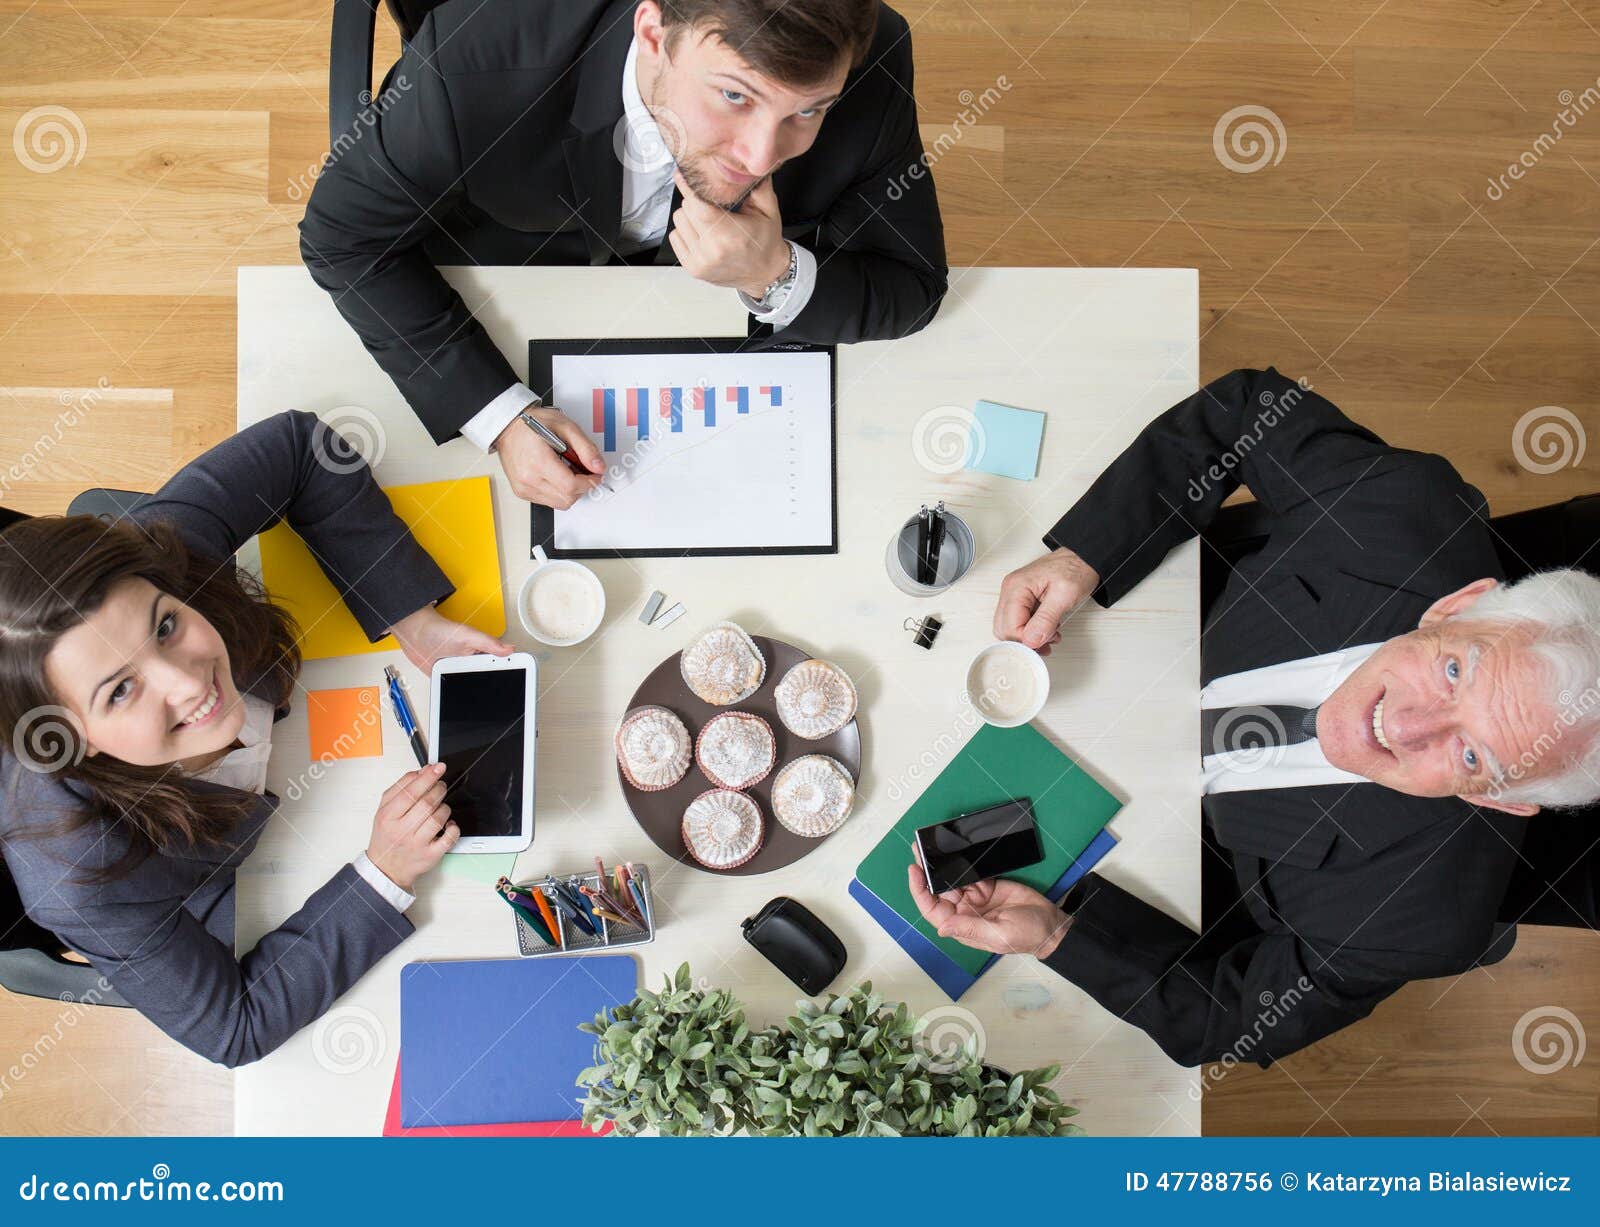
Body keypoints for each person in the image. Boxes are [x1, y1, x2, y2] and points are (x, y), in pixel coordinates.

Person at [907, 367, 1600, 1068]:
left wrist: (1056, 935)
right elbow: (1245, 412)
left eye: (1474, 756)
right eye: (1454, 671)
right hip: (1152, 631)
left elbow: (1225, 1019)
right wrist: (1087, 553)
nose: (1409, 726)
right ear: (1454, 608)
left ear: (1501, 799)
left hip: (1174, 843)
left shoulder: (1418, 922)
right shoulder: (1403, 508)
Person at [0, 412, 515, 1067]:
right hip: (213, 867)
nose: (188, 684)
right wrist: (383, 870)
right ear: (71, 740)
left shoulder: (169, 558)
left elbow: (305, 447)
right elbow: (235, 1028)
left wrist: (413, 621)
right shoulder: (80, 880)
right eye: (120, 690)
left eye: (163, 627)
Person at [300, 0, 947, 510]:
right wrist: (497, 416)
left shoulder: (874, 58)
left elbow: (914, 283)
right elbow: (342, 237)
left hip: (718, 320)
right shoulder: (469, 70)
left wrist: (771, 272)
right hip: (524, 267)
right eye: (734, 96)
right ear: (652, 33)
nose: (758, 157)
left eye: (808, 112)